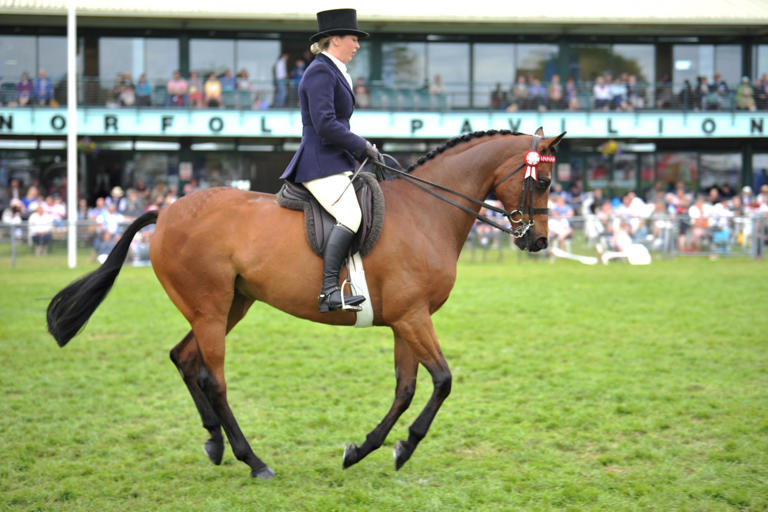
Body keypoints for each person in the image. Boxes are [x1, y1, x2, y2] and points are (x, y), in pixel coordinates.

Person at [280, 8, 383, 313]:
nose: (357, 45)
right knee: (351, 216)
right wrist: (361, 145)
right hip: (320, 162)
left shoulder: (334, 70)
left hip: (336, 159)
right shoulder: (320, 72)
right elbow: (324, 124)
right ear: (336, 39)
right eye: (353, 38)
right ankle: (328, 291)